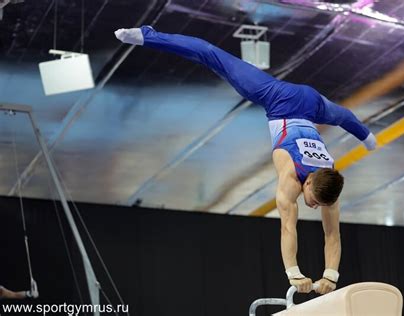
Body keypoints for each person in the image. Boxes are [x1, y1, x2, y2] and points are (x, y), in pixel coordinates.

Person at [114, 26, 377, 295]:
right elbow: (288, 228)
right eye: (313, 200)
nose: (312, 205)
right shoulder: (291, 179)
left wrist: (330, 277)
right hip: (279, 99)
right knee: (211, 55)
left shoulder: (329, 186)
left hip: (311, 103)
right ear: (308, 181)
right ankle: (147, 35)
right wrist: (294, 274)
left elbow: (333, 235)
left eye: (318, 204)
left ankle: (367, 137)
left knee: (343, 116)